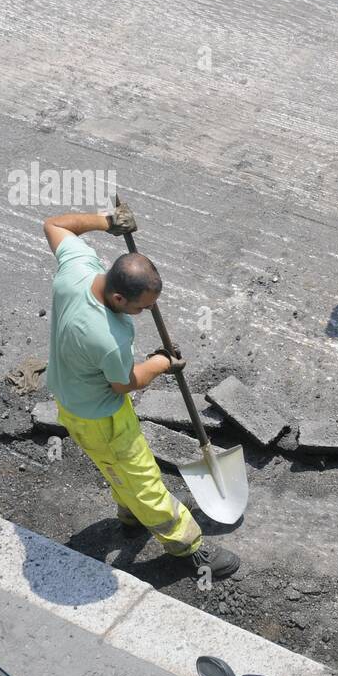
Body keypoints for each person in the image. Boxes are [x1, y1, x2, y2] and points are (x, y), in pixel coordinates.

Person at [42, 199, 239, 579]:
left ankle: (129, 515)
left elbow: (55, 225)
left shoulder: (79, 271)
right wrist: (161, 363)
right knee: (143, 479)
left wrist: (106, 222)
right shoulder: (108, 336)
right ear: (118, 299)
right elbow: (125, 382)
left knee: (115, 467)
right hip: (101, 415)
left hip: (71, 397)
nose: (146, 312)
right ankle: (188, 548)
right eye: (141, 307)